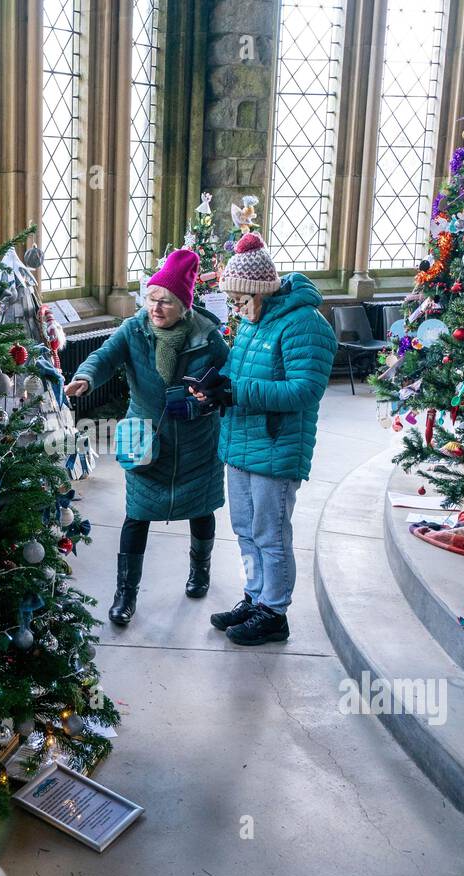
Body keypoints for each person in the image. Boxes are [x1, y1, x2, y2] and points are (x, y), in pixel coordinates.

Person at [63, 249, 229, 625]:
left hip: (196, 439)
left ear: (184, 306)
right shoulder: (133, 330)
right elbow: (104, 357)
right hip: (144, 438)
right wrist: (86, 377)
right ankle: (126, 594)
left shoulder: (208, 338)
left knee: (201, 509)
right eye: (152, 297)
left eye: (166, 301)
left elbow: (228, 377)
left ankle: (200, 572)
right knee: (136, 515)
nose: (156, 307)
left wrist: (213, 393)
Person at [191, 233, 336, 645]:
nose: (236, 309)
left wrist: (237, 392)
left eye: (240, 301)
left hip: (276, 446)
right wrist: (215, 386)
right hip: (241, 442)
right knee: (244, 530)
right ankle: (255, 597)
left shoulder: (305, 324)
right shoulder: (255, 323)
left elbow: (305, 390)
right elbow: (243, 375)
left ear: (260, 291)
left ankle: (275, 613)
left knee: (270, 533)